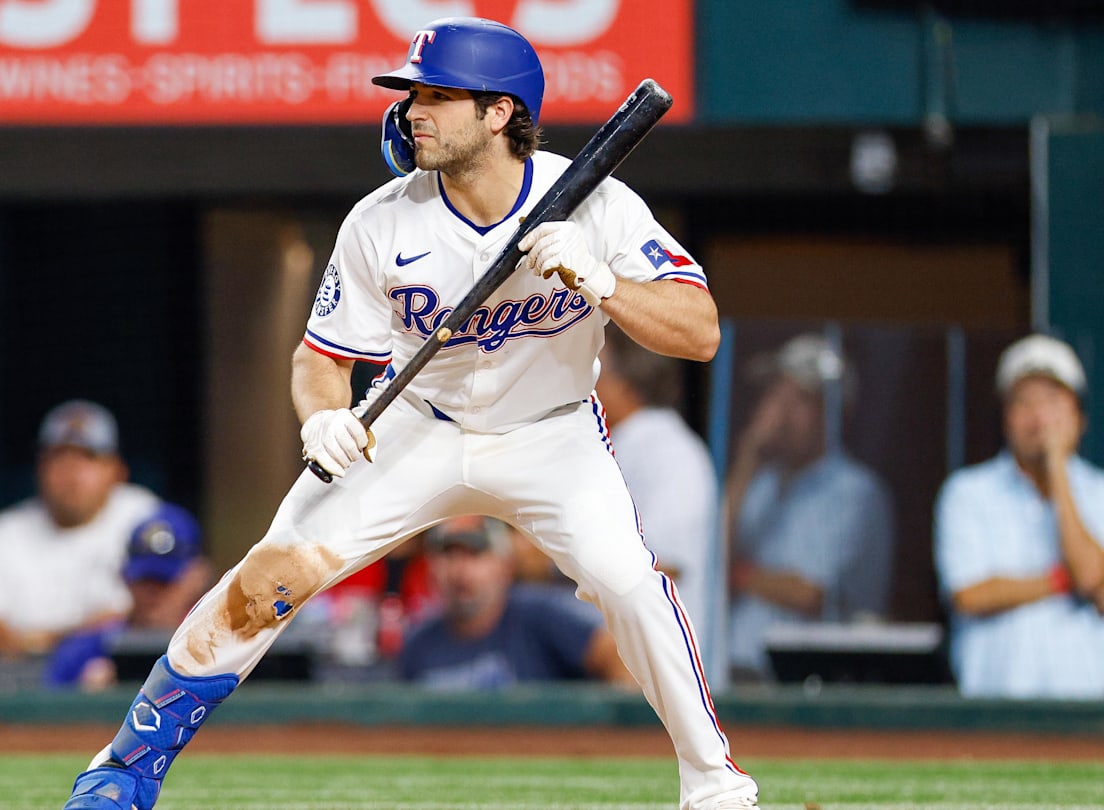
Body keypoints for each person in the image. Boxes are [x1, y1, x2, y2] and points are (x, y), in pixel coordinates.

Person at [63, 17, 758, 810]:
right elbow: (320, 358)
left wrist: (602, 281)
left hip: (551, 432)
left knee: (630, 586)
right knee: (268, 574)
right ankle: (124, 771)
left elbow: (700, 331)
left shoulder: (598, 205)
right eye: (413, 95)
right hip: (417, 424)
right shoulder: (383, 219)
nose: (412, 111)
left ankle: (716, 785)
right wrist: (322, 417)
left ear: (498, 112)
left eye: (436, 96)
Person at [934, 334, 1104, 699]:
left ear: (1078, 416)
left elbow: (1092, 577)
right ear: (1005, 417)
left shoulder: (1099, 491)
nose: (1039, 418)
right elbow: (969, 595)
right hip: (994, 705)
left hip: (1088, 708)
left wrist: (1057, 469)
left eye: (1052, 401)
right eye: (1024, 402)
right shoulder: (968, 493)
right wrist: (1062, 580)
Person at [723, 333, 895, 681]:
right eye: (776, 395)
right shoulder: (758, 483)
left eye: (799, 399)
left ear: (834, 413)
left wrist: (735, 574)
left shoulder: (855, 491)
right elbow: (712, 557)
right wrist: (747, 459)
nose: (781, 413)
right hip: (735, 670)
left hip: (810, 681)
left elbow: (809, 593)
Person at [0, 399, 166, 657]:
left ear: (117, 470)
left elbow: (152, 613)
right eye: (58, 457)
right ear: (39, 468)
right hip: (22, 677)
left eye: (87, 457)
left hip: (118, 670)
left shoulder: (145, 517)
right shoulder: (5, 532)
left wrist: (41, 640)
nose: (71, 472)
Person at [398, 516, 632, 689]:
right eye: (448, 555)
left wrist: (611, 724)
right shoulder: (419, 644)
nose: (460, 570)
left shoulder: (540, 617)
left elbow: (616, 657)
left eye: (475, 554)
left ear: (505, 564)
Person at [595, 328, 720, 646]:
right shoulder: (618, 443)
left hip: (660, 659)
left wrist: (549, 564)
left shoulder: (668, 450)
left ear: (627, 382)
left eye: (593, 368)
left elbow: (662, 565)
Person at [44, 502, 213, 691]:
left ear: (198, 577)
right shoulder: (83, 652)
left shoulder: (221, 651)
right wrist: (86, 700)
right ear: (124, 576)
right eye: (144, 579)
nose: (152, 592)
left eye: (164, 580)